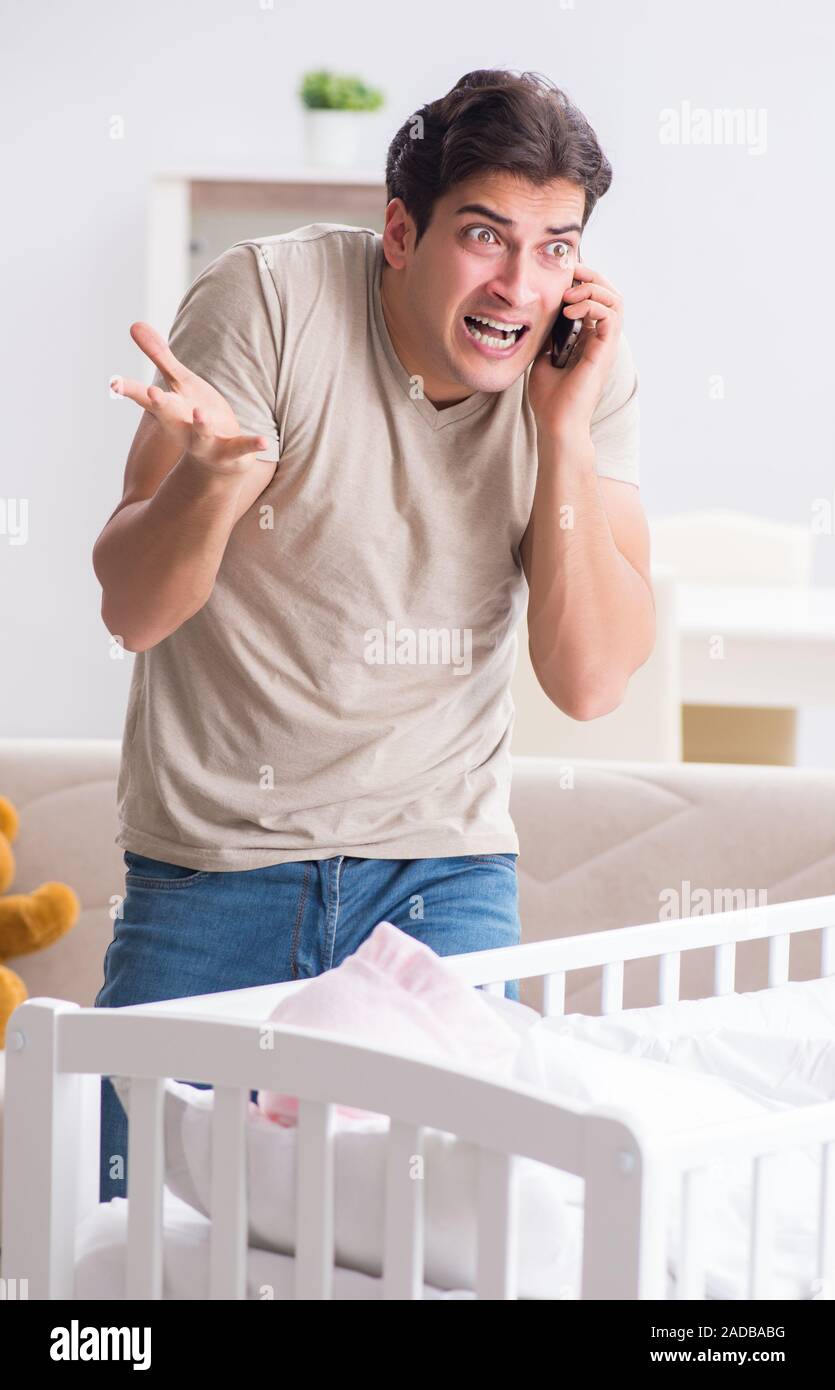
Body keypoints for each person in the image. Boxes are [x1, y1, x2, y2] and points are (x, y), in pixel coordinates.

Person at [91, 67, 655, 1202]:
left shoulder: (580, 377)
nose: (520, 283)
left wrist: (561, 434)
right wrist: (212, 483)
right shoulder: (266, 299)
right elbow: (133, 608)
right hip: (214, 871)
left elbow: (589, 679)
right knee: (124, 1236)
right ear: (400, 230)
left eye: (556, 247)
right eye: (485, 236)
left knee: (436, 1235)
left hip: (438, 874)